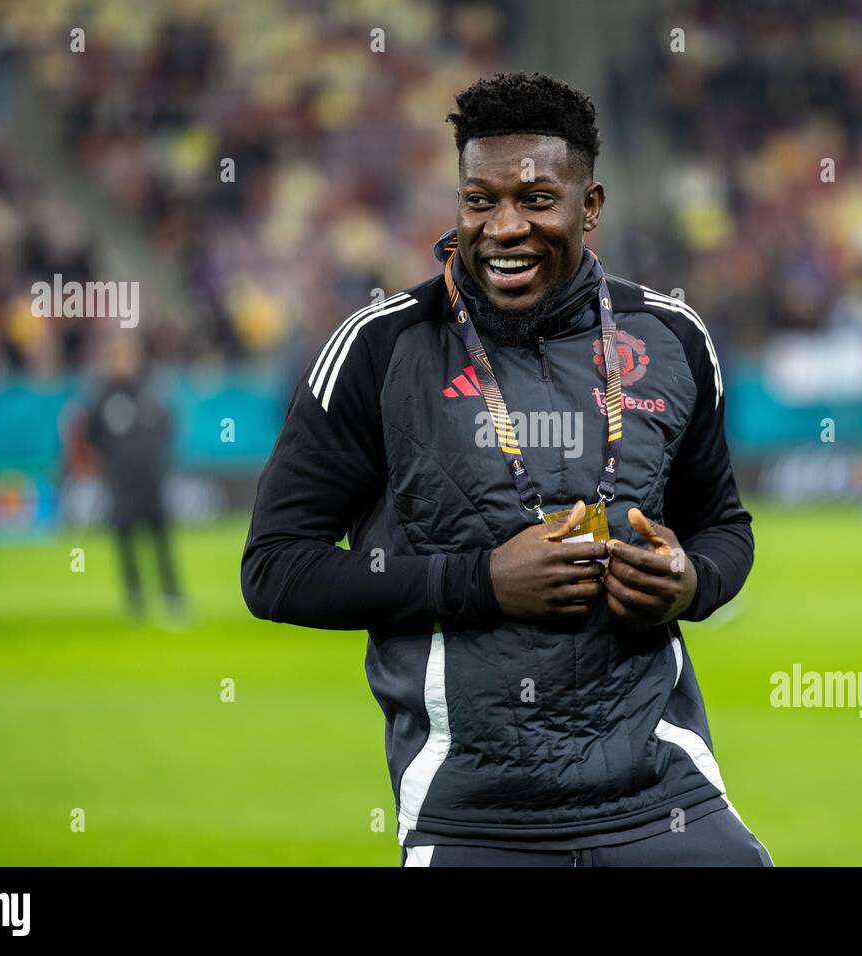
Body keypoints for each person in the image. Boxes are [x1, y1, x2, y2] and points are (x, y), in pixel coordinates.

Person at [242, 72, 770, 866]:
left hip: (665, 796)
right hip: (475, 816)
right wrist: (479, 581)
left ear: (589, 207)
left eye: (535, 201)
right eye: (479, 200)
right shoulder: (382, 349)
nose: (503, 227)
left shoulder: (672, 337)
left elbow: (724, 527)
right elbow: (276, 570)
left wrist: (690, 581)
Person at [85, 335, 184, 621]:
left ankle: (171, 594)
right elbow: (92, 433)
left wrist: (154, 455)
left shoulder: (149, 391)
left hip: (150, 478)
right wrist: (113, 460)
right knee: (125, 538)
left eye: (130, 356)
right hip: (121, 480)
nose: (126, 363)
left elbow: (167, 424)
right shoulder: (103, 396)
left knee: (160, 537)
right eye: (121, 357)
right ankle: (135, 597)